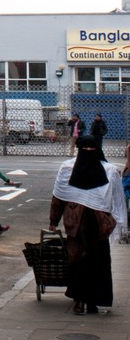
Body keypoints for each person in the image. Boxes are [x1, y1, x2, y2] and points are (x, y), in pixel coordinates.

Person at [49, 133, 126, 315]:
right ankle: (79, 299)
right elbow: (58, 197)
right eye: (85, 149)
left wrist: (117, 220)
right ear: (79, 150)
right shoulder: (67, 169)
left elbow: (116, 198)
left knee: (97, 261)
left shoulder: (109, 171)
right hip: (75, 224)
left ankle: (92, 301)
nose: (89, 152)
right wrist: (53, 221)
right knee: (77, 261)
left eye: (92, 149)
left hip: (98, 225)